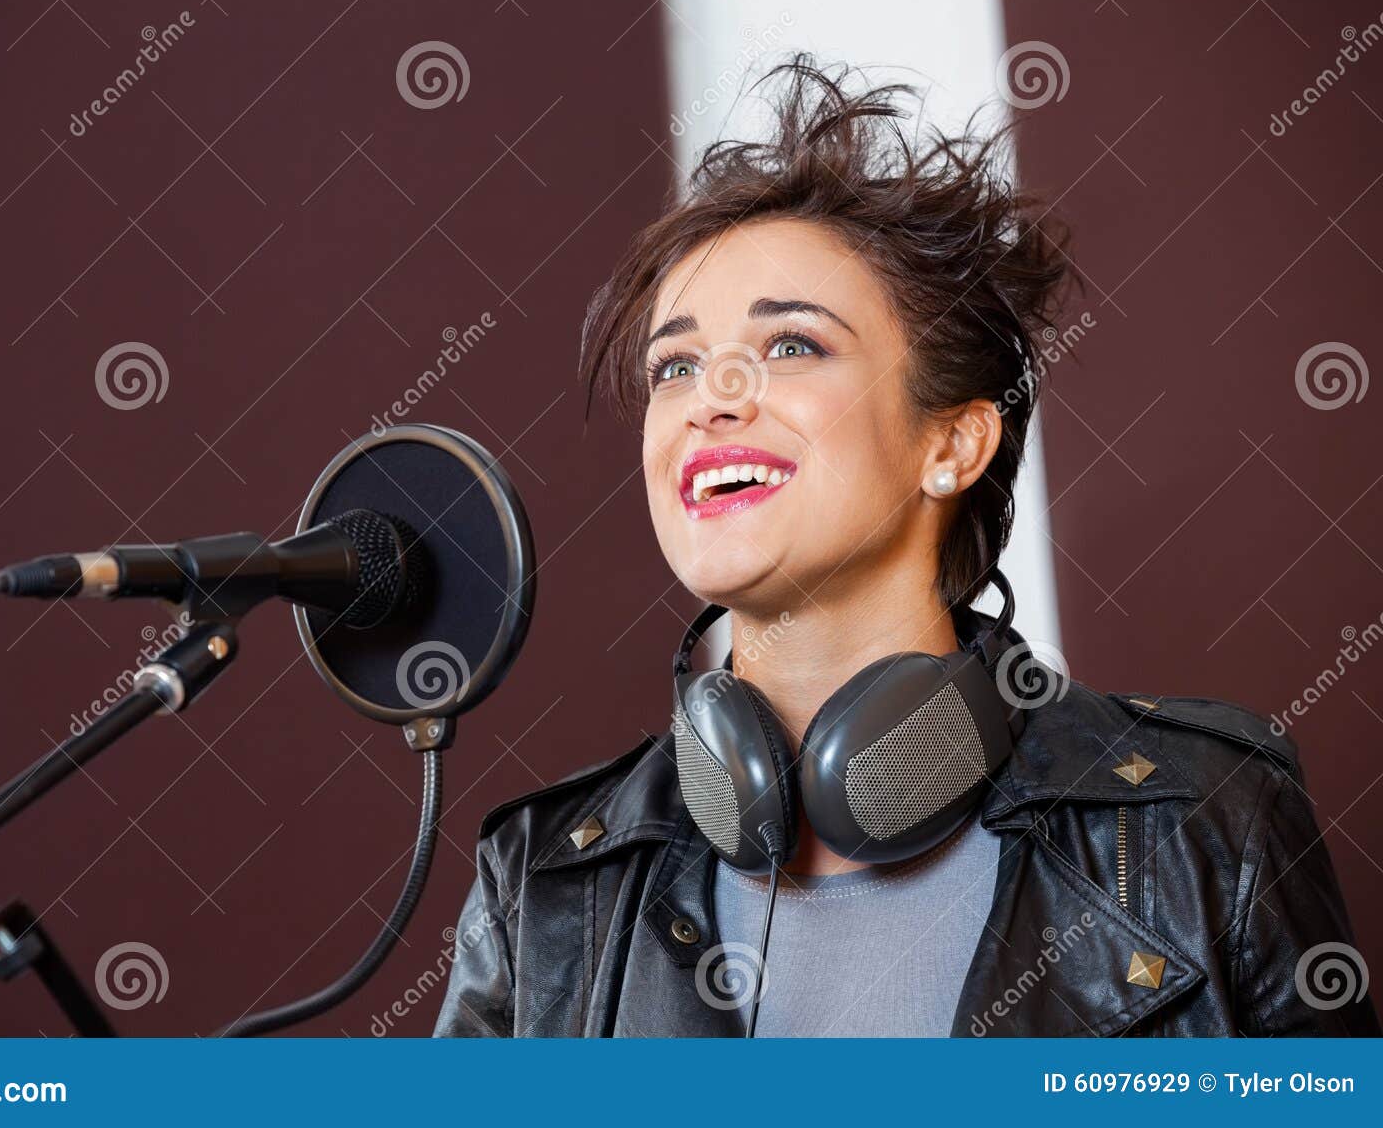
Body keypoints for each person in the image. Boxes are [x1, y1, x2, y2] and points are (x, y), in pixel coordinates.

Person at [433, 58, 1378, 1037]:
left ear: (952, 442)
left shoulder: (1205, 818)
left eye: (792, 343)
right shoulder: (539, 884)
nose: (708, 398)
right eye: (674, 364)